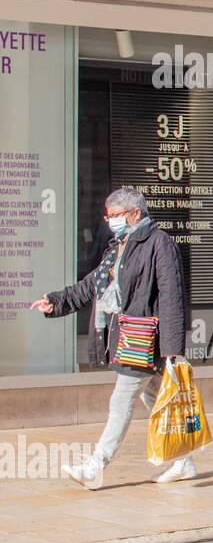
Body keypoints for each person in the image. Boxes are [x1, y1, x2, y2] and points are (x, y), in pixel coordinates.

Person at [30, 187, 193, 488]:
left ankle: (96, 465)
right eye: (108, 216)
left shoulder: (159, 244)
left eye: (115, 215)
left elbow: (172, 296)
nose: (110, 221)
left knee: (121, 401)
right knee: (157, 398)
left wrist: (173, 350)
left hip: (146, 340)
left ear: (134, 213)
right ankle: (183, 461)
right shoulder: (118, 246)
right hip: (127, 337)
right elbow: (93, 284)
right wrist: (55, 301)